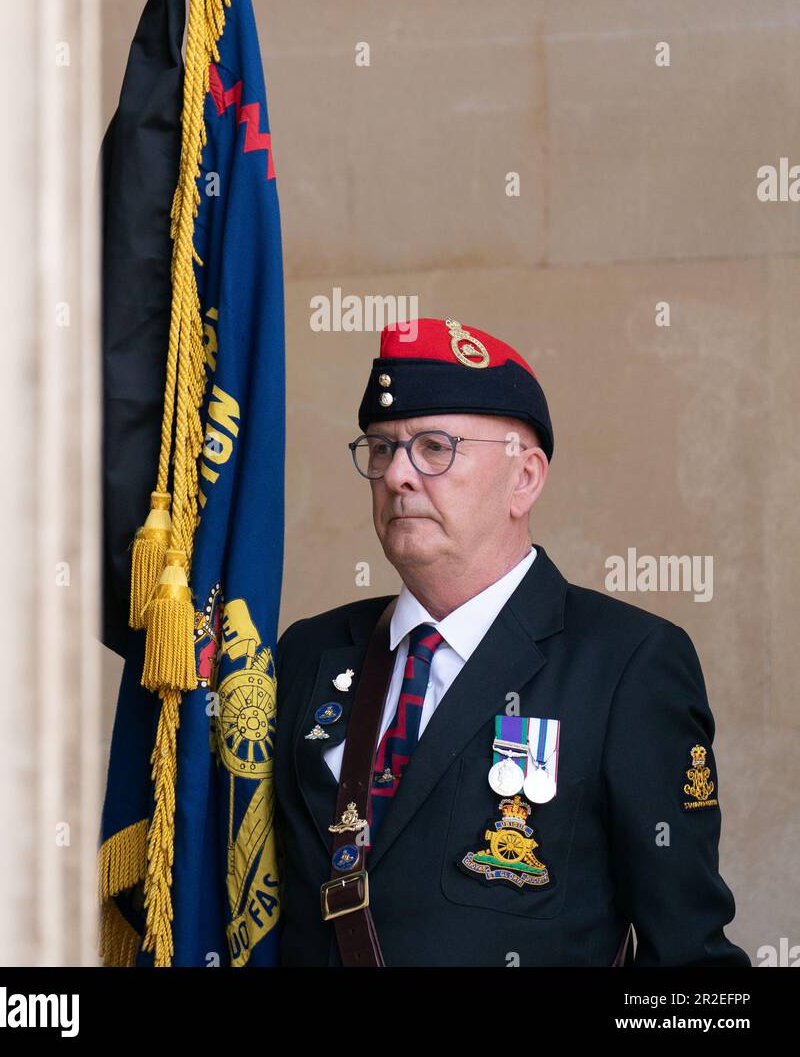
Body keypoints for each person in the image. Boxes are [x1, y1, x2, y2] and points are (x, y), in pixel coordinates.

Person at [273, 316, 749, 967]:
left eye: (435, 447)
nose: (397, 476)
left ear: (524, 479)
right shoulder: (309, 654)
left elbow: (688, 959)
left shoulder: (627, 666)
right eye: (381, 449)